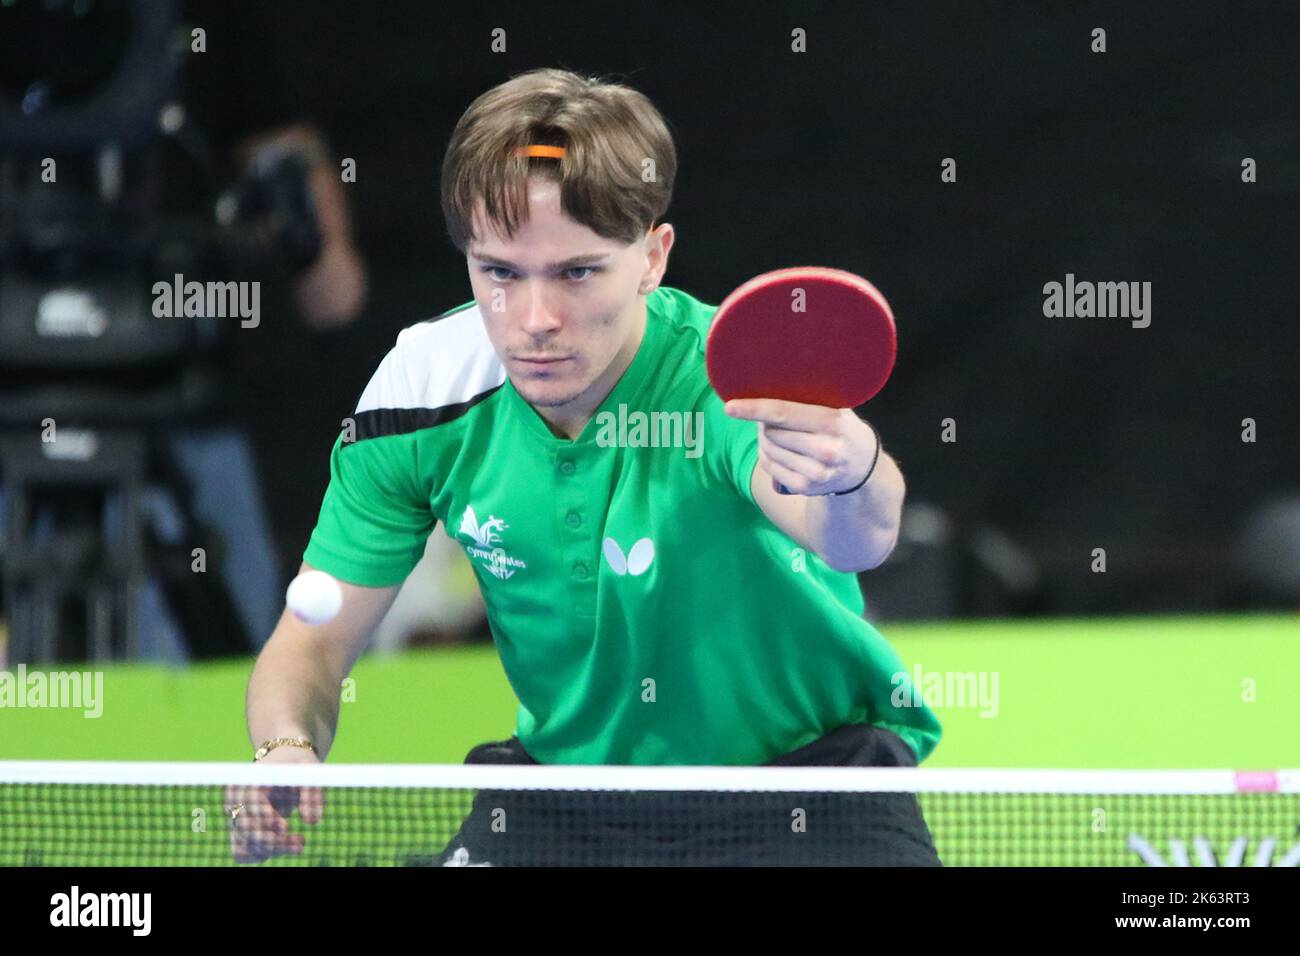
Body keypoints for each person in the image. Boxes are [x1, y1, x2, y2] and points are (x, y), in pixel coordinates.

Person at [228, 68, 942, 866]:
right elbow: (314, 643)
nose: (534, 320)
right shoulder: (421, 395)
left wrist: (856, 471)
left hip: (810, 788)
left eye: (576, 272)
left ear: (652, 256)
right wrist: (283, 747)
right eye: (499, 272)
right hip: (568, 800)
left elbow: (853, 539)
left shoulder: (720, 375)